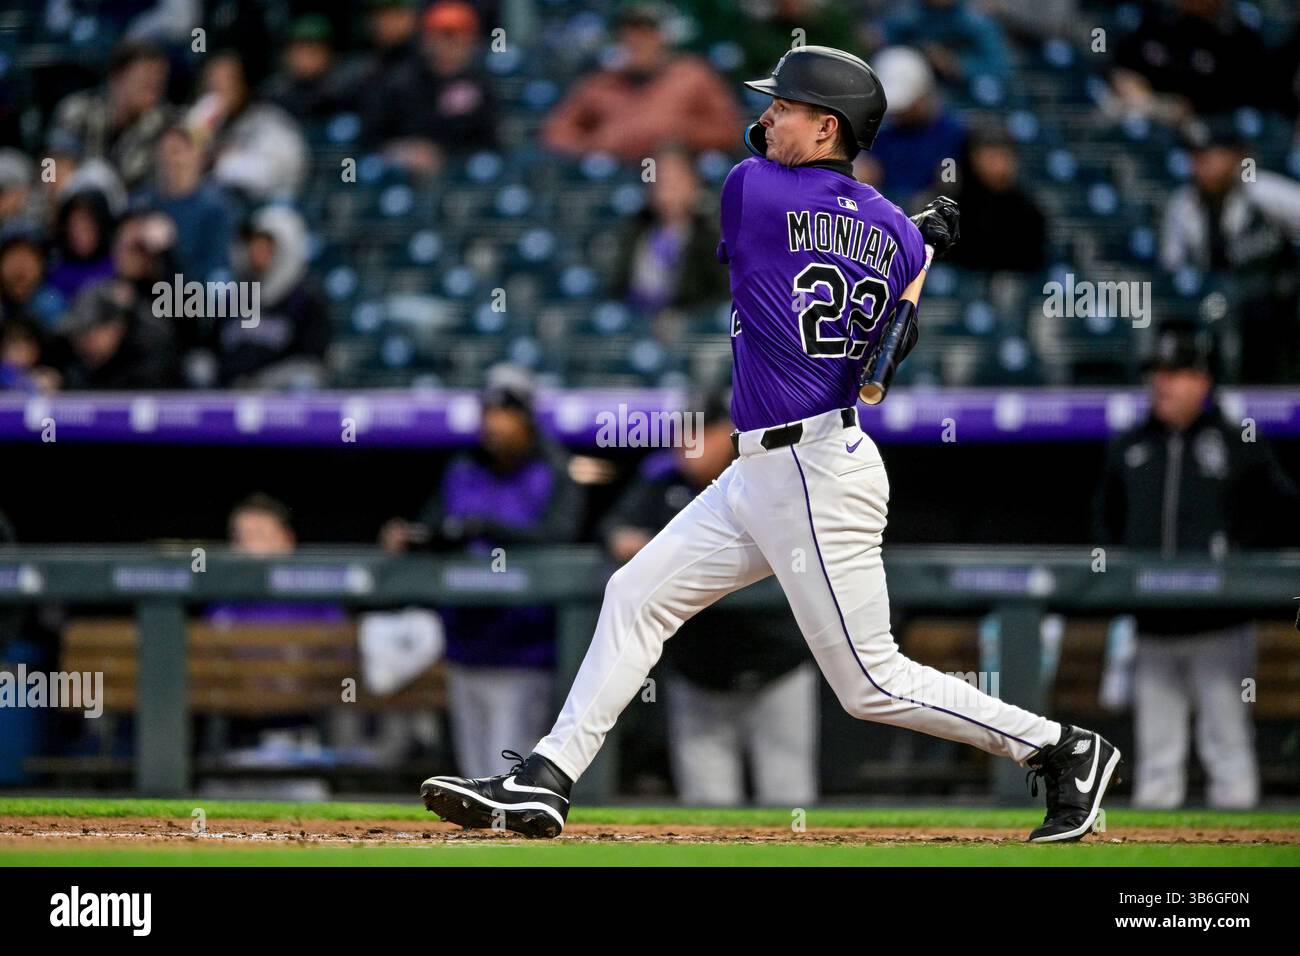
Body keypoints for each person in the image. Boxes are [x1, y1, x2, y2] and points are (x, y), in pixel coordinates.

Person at [421, 46, 1122, 843]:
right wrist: (916, 242)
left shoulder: (751, 189)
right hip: (765, 468)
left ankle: (1064, 749)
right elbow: (890, 313)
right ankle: (548, 777)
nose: (765, 117)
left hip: (815, 470)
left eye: (784, 107)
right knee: (635, 596)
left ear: (828, 125)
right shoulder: (893, 234)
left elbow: (792, 203)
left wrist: (911, 237)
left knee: (869, 683)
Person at [1093, 322, 1297, 809]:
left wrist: (1238, 565)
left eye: (1175, 372)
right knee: (1157, 763)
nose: (1162, 383)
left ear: (1202, 381)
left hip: (1219, 627)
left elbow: (1281, 512)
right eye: (1156, 372)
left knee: (1228, 750)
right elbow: (1106, 522)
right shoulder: (1130, 444)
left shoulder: (1236, 441)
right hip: (1152, 628)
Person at [600, 396, 818, 806]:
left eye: (700, 431)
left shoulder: (763, 475)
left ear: (729, 433)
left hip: (776, 665)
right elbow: (614, 529)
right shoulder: (663, 483)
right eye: (683, 431)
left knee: (790, 800)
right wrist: (634, 543)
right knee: (706, 807)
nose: (687, 442)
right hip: (698, 671)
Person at [383, 366, 582, 778]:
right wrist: (409, 536)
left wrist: (483, 527)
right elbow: (433, 526)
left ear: (526, 417)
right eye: (488, 412)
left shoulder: (555, 469)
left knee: (509, 770)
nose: (493, 423)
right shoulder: (463, 468)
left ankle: (515, 841)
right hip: (465, 645)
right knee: (474, 772)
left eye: (505, 412)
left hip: (524, 652)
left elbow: (558, 536)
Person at [1159, 123, 1300, 383]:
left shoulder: (1261, 190)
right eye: (1197, 157)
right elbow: (1172, 268)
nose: (1203, 165)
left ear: (1234, 157)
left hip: (1274, 308)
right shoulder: (1183, 204)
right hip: (1214, 307)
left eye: (1211, 155)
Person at [540, 3, 740, 161]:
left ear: (662, 37)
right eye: (629, 33)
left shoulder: (692, 74)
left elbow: (728, 130)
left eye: (646, 33)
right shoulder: (601, 83)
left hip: (677, 167)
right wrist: (597, 145)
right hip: (618, 172)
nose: (636, 41)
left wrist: (679, 134)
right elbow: (556, 133)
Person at [363, 0, 498, 177]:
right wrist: (404, 151)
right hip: (402, 175)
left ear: (471, 40)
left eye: (454, 35)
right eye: (439, 35)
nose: (446, 44)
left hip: (461, 176)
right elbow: (370, 140)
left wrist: (445, 156)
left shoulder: (481, 86)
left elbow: (492, 144)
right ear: (425, 39)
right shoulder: (398, 83)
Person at [212, 205, 329, 388]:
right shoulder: (233, 297)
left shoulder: (305, 300)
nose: (257, 253)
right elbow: (212, 350)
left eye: (266, 246)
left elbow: (312, 362)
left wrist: (263, 382)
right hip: (231, 393)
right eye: (253, 244)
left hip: (282, 401)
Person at [612, 148, 728, 316]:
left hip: (690, 326)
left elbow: (720, 294)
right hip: (638, 320)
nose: (667, 192)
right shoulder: (633, 233)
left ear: (693, 185)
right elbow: (618, 287)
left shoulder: (711, 238)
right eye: (660, 183)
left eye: (675, 183)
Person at [46, 39, 172, 191]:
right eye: (145, 81)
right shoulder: (77, 109)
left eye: (158, 84)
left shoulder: (162, 123)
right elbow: (52, 167)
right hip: (76, 204)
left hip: (135, 209)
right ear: (116, 78)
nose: (153, 90)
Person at [854, 47, 966, 211]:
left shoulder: (950, 131)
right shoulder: (880, 130)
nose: (900, 113)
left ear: (923, 94)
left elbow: (950, 184)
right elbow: (866, 172)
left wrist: (944, 185)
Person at [135, 123, 234, 282]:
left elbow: (215, 269)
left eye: (177, 151)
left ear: (197, 155)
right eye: (163, 151)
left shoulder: (214, 208)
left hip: (187, 295)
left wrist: (170, 248)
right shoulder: (144, 200)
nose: (170, 159)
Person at [945, 127, 1047, 274]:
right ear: (974, 159)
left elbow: (1034, 261)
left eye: (1003, 156)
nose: (998, 164)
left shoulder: (1029, 209)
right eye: (991, 157)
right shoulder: (954, 207)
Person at [56, 279, 180, 390]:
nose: (81, 342)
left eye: (89, 334)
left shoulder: (149, 357)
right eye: (77, 334)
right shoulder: (72, 360)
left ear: (115, 329)